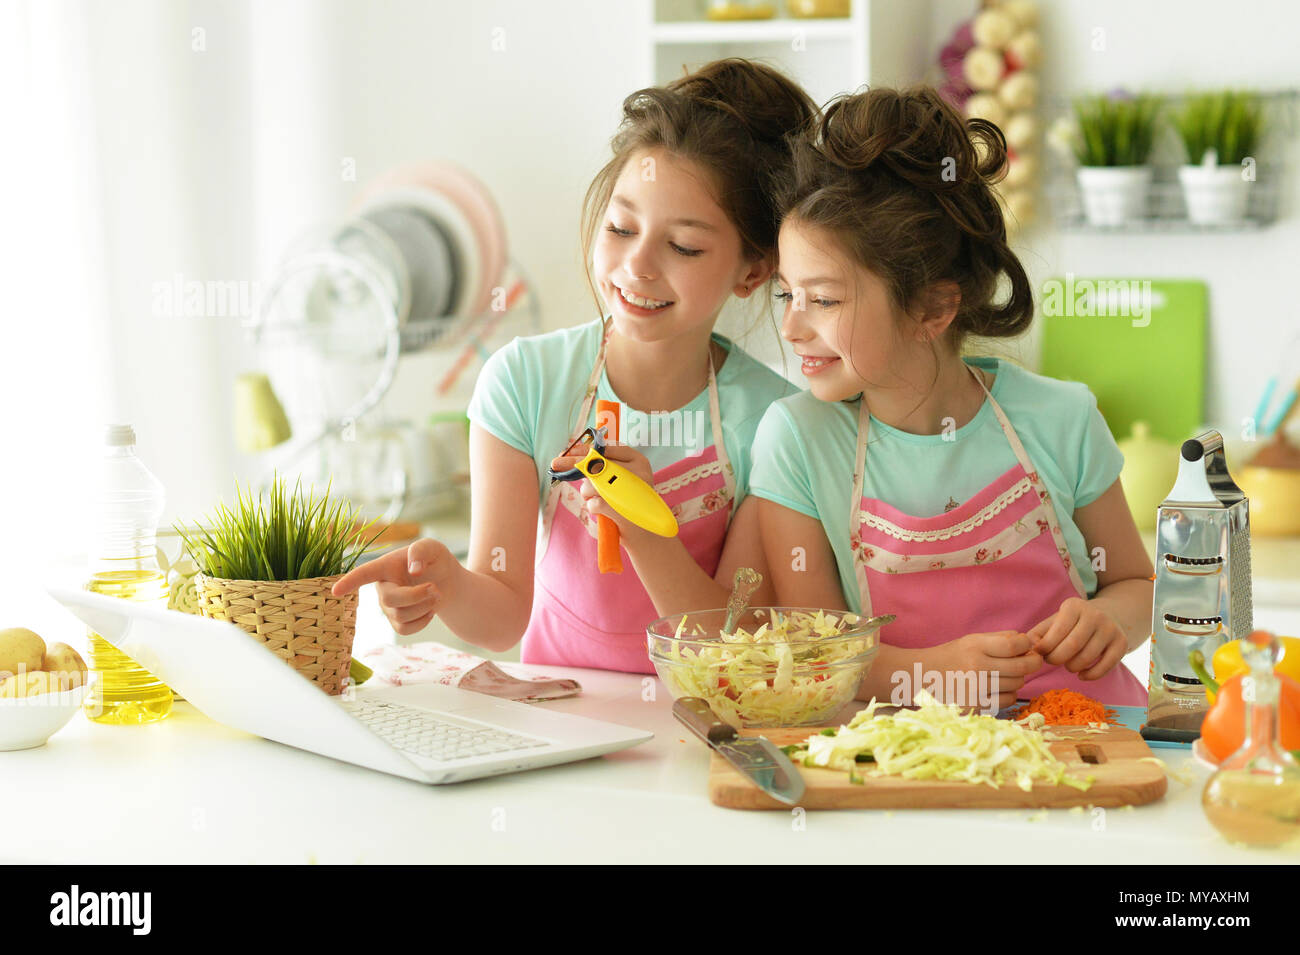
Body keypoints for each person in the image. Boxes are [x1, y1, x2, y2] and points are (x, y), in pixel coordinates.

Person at [333, 59, 816, 672]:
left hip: (697, 727)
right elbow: (502, 615)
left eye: (684, 246)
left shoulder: (774, 421)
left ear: (752, 270)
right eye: (621, 226)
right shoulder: (526, 383)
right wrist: (446, 583)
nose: (637, 265)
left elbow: (734, 649)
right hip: (558, 716)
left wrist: (643, 530)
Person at [745, 87, 1152, 708]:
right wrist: (931, 672)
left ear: (933, 307)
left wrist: (1114, 621)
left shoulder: (1062, 417)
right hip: (914, 752)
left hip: (1090, 736)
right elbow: (814, 652)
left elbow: (1134, 584)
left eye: (823, 300)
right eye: (786, 294)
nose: (793, 326)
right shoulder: (797, 439)